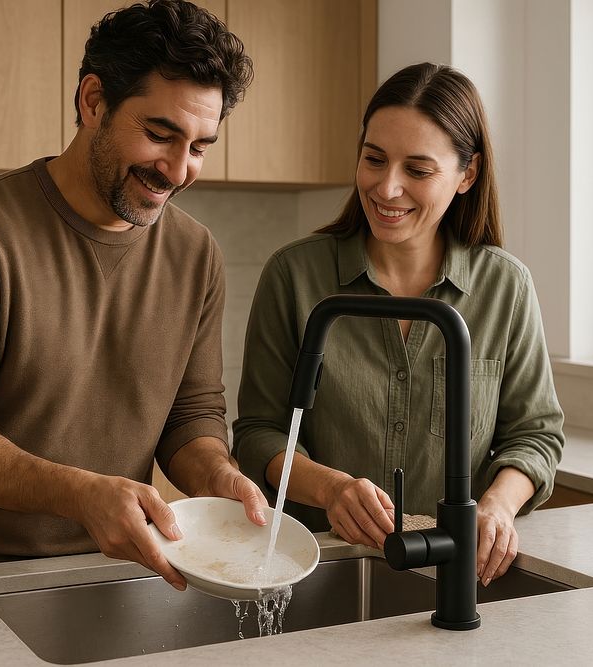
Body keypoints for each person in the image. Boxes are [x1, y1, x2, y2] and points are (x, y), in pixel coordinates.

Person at [0, 0, 267, 589]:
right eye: (160, 134)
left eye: (199, 147)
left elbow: (190, 419)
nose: (177, 170)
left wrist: (218, 476)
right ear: (93, 101)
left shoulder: (197, 256)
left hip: (110, 575)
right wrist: (81, 494)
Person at [233, 63, 564, 586]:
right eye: (374, 159)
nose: (387, 188)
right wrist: (330, 489)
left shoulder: (506, 287)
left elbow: (535, 435)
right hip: (317, 568)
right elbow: (257, 435)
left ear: (467, 175)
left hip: (458, 573)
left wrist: (498, 505)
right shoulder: (294, 276)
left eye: (418, 169)